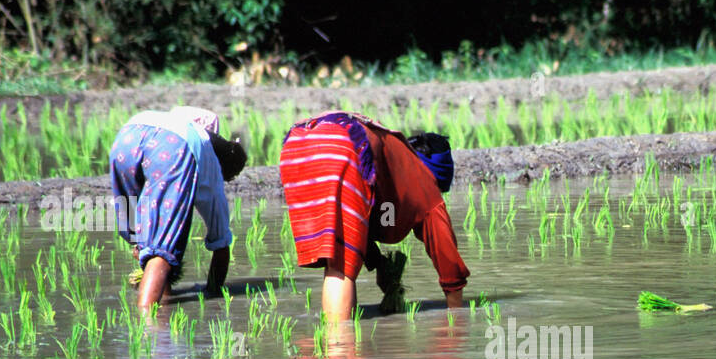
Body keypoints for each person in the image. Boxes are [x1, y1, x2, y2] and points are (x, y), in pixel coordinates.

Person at [278, 112, 468, 322]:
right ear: (437, 176)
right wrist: (456, 314)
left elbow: (366, 219)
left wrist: (378, 263)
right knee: (340, 268)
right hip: (343, 142)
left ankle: (342, 337)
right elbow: (446, 254)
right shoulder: (425, 184)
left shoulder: (394, 164)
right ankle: (338, 347)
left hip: (298, 141)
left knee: (336, 258)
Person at [109, 106, 247, 309]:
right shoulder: (208, 159)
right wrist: (213, 293)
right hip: (173, 147)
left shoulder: (177, 122)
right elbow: (221, 244)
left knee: (139, 238)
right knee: (163, 249)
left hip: (128, 134)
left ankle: (162, 298)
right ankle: (146, 325)